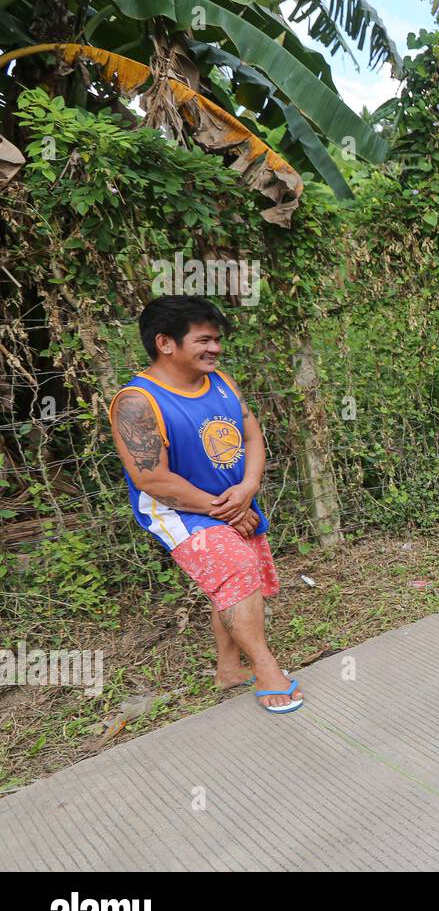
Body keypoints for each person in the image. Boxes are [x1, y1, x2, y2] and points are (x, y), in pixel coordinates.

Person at [108, 296, 302, 714]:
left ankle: (228, 670)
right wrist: (228, 509)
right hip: (179, 511)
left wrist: (248, 487)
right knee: (236, 567)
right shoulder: (137, 402)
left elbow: (252, 436)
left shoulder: (222, 382)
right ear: (165, 343)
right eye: (203, 340)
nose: (215, 348)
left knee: (236, 582)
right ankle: (266, 669)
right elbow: (152, 479)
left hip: (234, 500)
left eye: (216, 339)